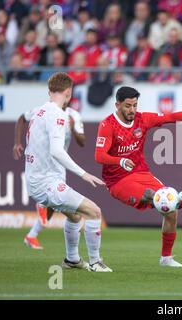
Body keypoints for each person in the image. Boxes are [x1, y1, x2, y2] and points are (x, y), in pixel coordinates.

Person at [94, 87, 182, 267]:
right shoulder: (107, 124)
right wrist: (120, 161)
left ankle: (166, 258)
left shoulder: (143, 119)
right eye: (128, 106)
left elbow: (170, 117)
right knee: (153, 195)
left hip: (141, 173)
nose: (132, 110)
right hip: (118, 180)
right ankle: (181, 199)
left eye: (135, 105)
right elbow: (99, 156)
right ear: (117, 105)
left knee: (170, 211)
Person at [24, 72, 111, 272]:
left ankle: (72, 260)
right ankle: (96, 262)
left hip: (35, 180)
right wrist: (84, 174)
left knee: (74, 217)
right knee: (94, 211)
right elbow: (56, 151)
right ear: (69, 92)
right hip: (47, 183)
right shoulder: (58, 114)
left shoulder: (39, 111)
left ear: (49, 90)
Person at [13, 96, 85, 250]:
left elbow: (82, 142)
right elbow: (21, 118)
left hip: (59, 165)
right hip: (44, 164)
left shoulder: (74, 116)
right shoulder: (42, 110)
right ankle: (42, 206)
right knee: (58, 202)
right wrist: (17, 143)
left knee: (52, 208)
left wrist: (72, 128)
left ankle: (31, 236)